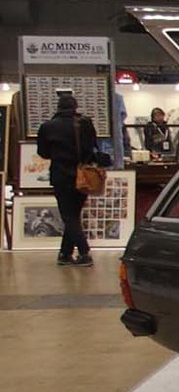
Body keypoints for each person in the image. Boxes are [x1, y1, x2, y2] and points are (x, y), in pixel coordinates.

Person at [34, 94, 97, 266]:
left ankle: (85, 253)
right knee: (74, 215)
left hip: (61, 175)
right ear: (75, 107)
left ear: (58, 107)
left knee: (69, 216)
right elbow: (92, 148)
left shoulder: (47, 127)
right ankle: (65, 254)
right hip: (83, 175)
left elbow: (43, 153)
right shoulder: (85, 123)